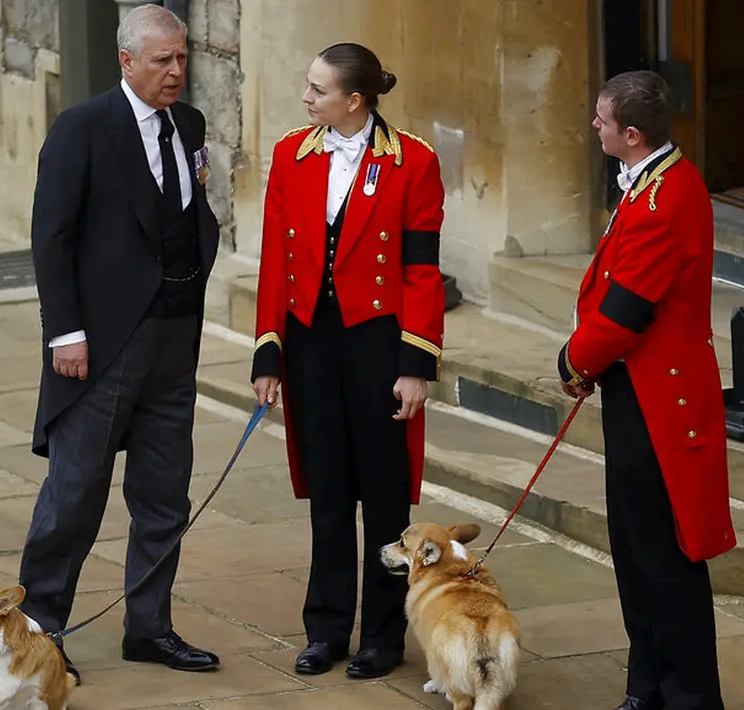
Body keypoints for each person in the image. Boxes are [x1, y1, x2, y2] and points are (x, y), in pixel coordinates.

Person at [20, 4, 222, 680]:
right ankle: (39, 630)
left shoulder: (187, 124)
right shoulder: (82, 128)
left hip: (173, 339)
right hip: (101, 346)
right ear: (126, 61)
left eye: (182, 58)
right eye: (162, 60)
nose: (176, 72)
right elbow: (52, 238)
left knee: (165, 494)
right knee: (74, 494)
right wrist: (66, 334)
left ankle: (150, 626)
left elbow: (194, 216)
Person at [249, 42, 446, 680]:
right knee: (328, 491)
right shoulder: (290, 154)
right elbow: (275, 262)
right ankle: (326, 628)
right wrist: (268, 353)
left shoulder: (413, 160)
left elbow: (420, 270)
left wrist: (416, 363)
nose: (306, 98)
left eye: (317, 90)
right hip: (311, 344)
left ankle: (383, 636)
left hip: (379, 346)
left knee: (385, 497)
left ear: (353, 100)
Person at [555, 70, 737, 710]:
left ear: (631, 135)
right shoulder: (651, 183)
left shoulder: (665, 200)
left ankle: (687, 695)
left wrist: (573, 361)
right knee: (635, 550)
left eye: (602, 121)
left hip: (662, 401)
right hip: (636, 387)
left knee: (663, 555)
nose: (594, 128)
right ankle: (649, 686)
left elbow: (628, 309)